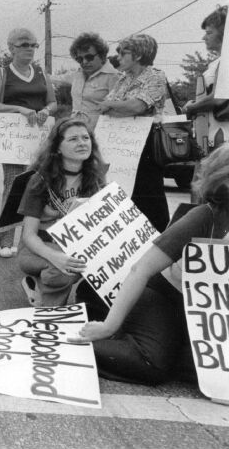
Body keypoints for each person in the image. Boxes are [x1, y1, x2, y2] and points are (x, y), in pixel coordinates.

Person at [70, 144, 229, 388]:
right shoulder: (204, 217)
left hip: (208, 312)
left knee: (210, 370)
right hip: (161, 296)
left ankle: (174, 350)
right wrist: (107, 326)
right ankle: (67, 341)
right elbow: (141, 269)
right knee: (151, 364)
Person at [17, 118, 107, 306]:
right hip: (38, 248)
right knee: (63, 271)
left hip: (76, 246)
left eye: (86, 137)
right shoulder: (39, 180)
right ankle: (49, 317)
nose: (82, 143)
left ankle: (41, 286)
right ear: (57, 148)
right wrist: (54, 257)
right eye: (73, 139)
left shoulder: (96, 178)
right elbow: (29, 236)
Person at [0, 28, 57, 257]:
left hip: (39, 138)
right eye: (24, 44)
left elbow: (53, 102)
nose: (29, 49)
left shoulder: (41, 73)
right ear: (11, 47)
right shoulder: (2, 74)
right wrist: (19, 108)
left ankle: (37, 239)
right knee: (14, 186)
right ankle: (5, 241)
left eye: (33, 45)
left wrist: (45, 110)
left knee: (43, 187)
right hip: (14, 139)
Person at [99, 33, 170, 232]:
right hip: (121, 143)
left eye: (123, 52)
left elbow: (137, 106)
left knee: (149, 192)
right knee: (122, 192)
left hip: (146, 144)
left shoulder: (156, 76)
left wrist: (114, 105)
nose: (118, 57)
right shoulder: (123, 79)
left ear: (138, 55)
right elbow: (106, 109)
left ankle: (158, 238)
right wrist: (119, 107)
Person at [183, 5, 228, 153]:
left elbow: (219, 97)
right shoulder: (219, 61)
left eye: (209, 32)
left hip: (223, 135)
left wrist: (192, 107)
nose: (204, 37)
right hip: (213, 132)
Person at [67, 32, 120, 129]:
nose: (84, 62)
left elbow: (119, 109)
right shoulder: (77, 75)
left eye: (89, 57)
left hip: (99, 131)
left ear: (102, 55)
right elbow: (52, 79)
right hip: (75, 128)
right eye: (79, 59)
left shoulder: (113, 76)